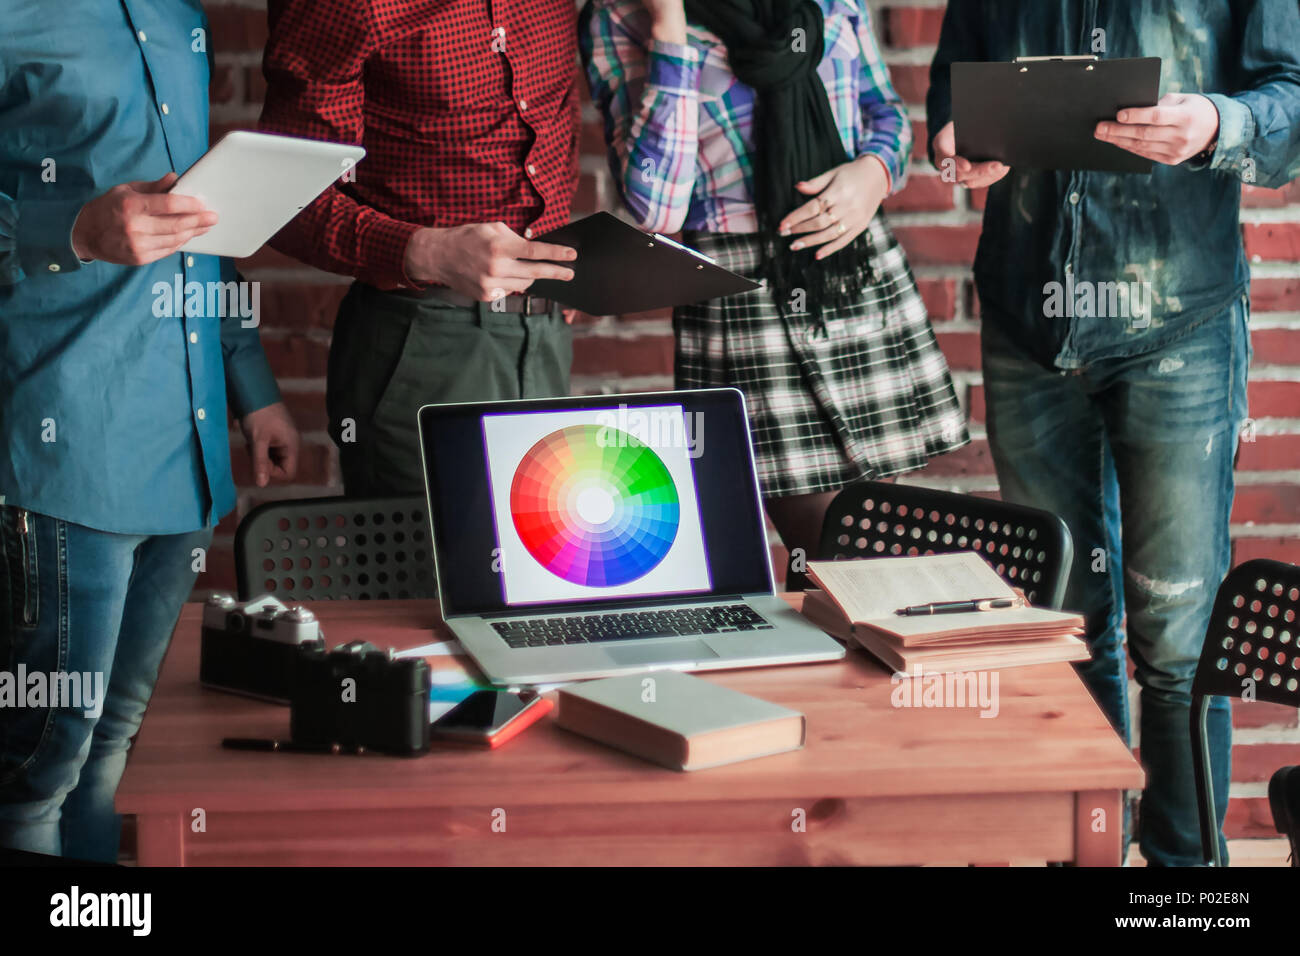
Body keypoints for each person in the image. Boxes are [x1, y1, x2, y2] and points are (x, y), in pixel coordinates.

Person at [927, 0, 1300, 865]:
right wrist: (952, 137)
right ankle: (1085, 857)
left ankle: (1184, 895)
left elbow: (1291, 101)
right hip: (1026, 315)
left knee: (1177, 643)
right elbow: (957, 78)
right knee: (1061, 628)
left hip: (1180, 325)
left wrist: (1218, 121)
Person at [0, 1, 298, 861]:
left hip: (186, 444)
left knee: (109, 756)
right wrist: (74, 232)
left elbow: (197, 218)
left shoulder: (177, 15)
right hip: (64, 455)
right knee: (38, 769)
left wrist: (252, 386)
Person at [581, 0, 968, 584]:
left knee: (868, 546)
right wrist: (668, 28)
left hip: (849, 272)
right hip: (739, 299)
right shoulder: (620, 15)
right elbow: (655, 209)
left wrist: (873, 175)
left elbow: (883, 114)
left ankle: (853, 672)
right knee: (831, 560)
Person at [259, 0, 584, 497]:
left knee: (544, 569)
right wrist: (425, 250)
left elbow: (554, 119)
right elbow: (279, 195)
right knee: (430, 572)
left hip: (547, 338)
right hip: (422, 342)